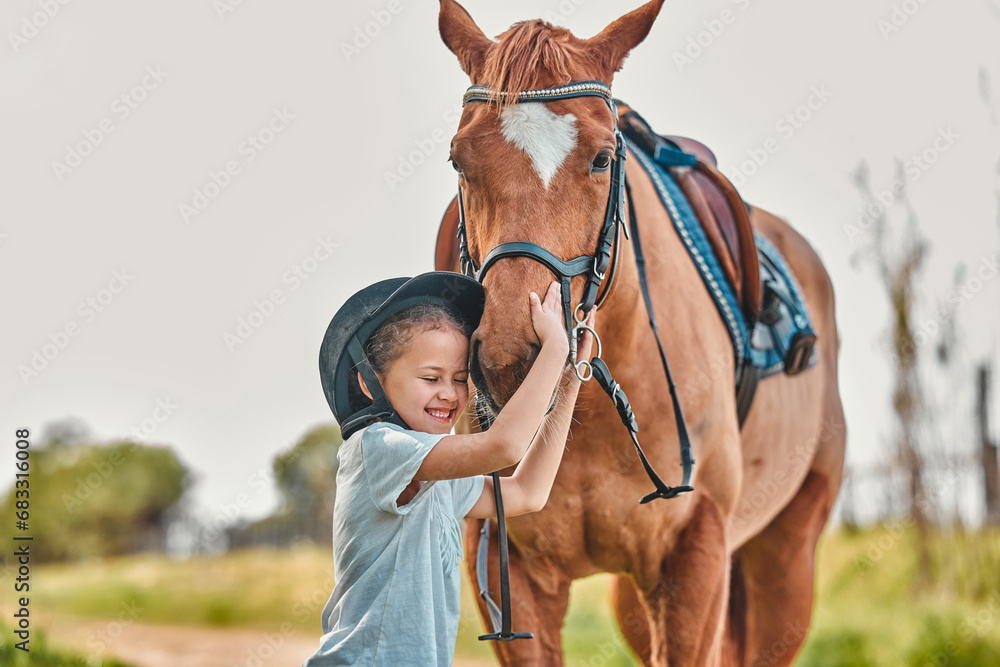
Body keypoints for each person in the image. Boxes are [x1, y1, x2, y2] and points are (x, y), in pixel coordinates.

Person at [303, 271, 594, 666]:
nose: (449, 393)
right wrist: (554, 348)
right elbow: (504, 446)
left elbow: (528, 493)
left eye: (460, 379)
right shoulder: (380, 449)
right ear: (370, 383)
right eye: (430, 377)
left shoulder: (434, 478)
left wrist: (570, 375)